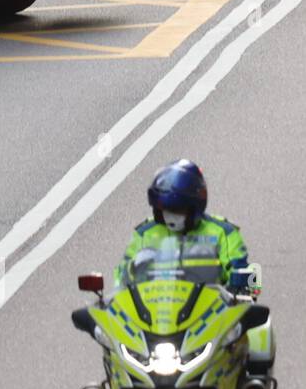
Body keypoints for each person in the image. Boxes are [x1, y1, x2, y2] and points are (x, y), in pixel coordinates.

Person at [114, 159, 274, 374]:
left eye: (176, 209)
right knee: (114, 350)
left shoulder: (222, 233)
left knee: (256, 340)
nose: (169, 214)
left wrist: (243, 286)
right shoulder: (144, 234)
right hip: (156, 318)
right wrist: (116, 296)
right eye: (163, 208)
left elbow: (243, 273)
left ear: (194, 206)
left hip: (207, 319)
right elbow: (124, 275)